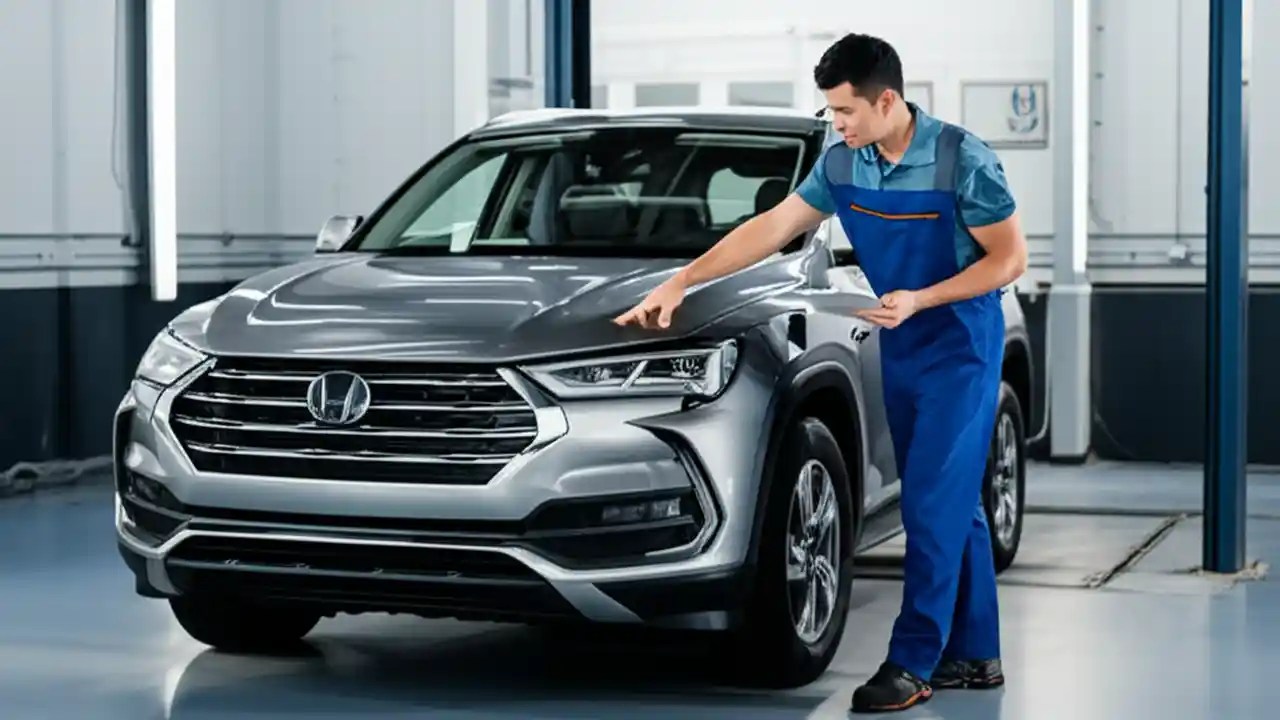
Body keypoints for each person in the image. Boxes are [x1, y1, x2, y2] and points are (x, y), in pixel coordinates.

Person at [612, 33, 1028, 713]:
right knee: (954, 505)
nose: (837, 123)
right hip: (901, 345)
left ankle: (913, 661)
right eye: (832, 111)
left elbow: (1008, 259)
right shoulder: (842, 163)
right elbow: (774, 226)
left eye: (845, 110)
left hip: (960, 349)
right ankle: (977, 655)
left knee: (931, 506)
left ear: (886, 101)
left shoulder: (962, 159)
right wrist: (684, 280)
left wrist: (922, 298)